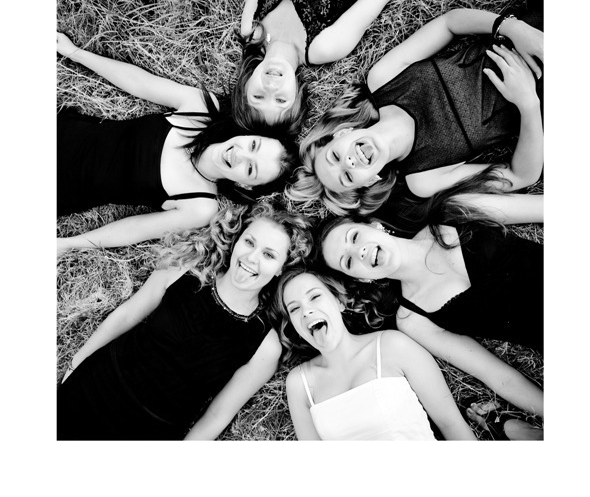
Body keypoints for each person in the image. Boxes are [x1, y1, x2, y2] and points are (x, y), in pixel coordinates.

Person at [287, 0, 544, 216]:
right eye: (347, 177)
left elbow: (448, 24)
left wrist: (511, 28)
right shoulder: (424, 180)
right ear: (370, 181)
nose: (349, 162)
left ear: (342, 133)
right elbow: (519, 176)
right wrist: (528, 103)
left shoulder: (384, 78)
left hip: (533, 28)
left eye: (334, 156)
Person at [57, 201, 313, 440]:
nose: (251, 258)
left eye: (269, 255)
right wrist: (76, 362)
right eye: (249, 242)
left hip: (148, 431)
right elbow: (127, 315)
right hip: (95, 384)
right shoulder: (186, 269)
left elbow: (217, 415)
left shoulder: (265, 345)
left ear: (281, 267)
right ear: (237, 241)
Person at [57, 32, 296, 254]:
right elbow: (138, 83)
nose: (240, 155)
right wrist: (75, 53)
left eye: (251, 168)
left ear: (246, 186)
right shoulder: (201, 110)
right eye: (253, 145)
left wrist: (68, 244)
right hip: (64, 132)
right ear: (248, 135)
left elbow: (135, 229)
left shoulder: (201, 206)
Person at [316, 214, 544, 440]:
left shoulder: (449, 214)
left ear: (375, 225)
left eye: (354, 237)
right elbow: (498, 376)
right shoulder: (413, 320)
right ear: (361, 279)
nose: (359, 252)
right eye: (348, 262)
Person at [274, 268, 476, 440]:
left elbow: (452, 425)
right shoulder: (299, 383)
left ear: (339, 301)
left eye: (315, 297)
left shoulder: (393, 346)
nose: (306, 311)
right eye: (294, 308)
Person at [234, 0, 425, 136]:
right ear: (296, 98)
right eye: (280, 100)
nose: (271, 87)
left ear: (246, 86)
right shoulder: (325, 47)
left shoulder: (252, 28)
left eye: (258, 97)